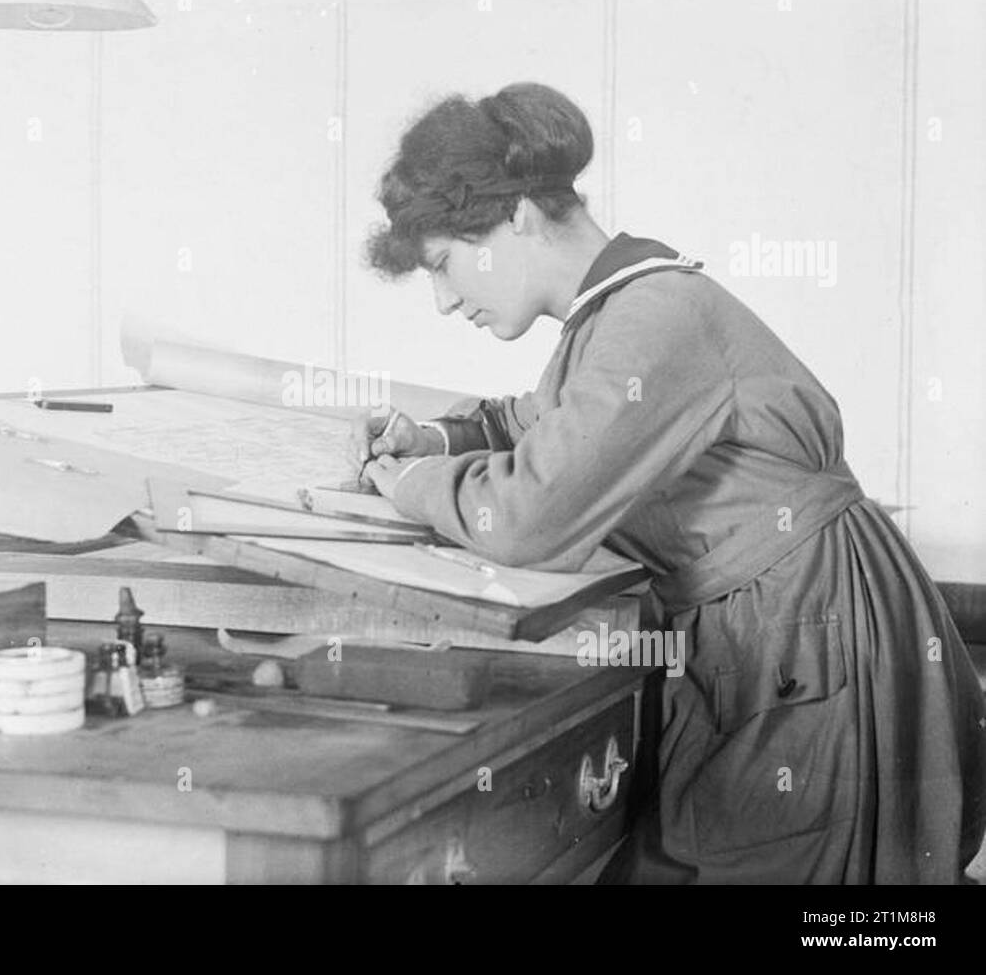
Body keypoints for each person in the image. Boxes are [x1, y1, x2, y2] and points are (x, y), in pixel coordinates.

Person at [349, 81, 986, 884]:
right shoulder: (615, 314)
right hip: (774, 630)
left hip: (808, 638)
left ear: (514, 217)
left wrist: (404, 481)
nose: (444, 301)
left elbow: (527, 517)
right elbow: (541, 423)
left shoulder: (652, 319)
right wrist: (435, 434)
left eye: (444, 264)